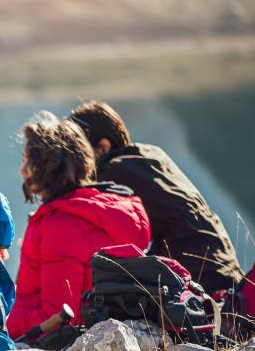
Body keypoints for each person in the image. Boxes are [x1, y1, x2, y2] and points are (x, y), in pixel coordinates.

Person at [69, 101, 244, 296]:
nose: (76, 163)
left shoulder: (112, 173)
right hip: (226, 272)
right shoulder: (152, 155)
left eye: (80, 153)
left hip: (198, 282)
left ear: (102, 147)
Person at [6, 112, 150, 340]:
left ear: (48, 166)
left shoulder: (61, 225)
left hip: (47, 344)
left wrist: (0, 322)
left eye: (28, 161)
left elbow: (57, 317)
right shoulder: (92, 210)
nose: (22, 170)